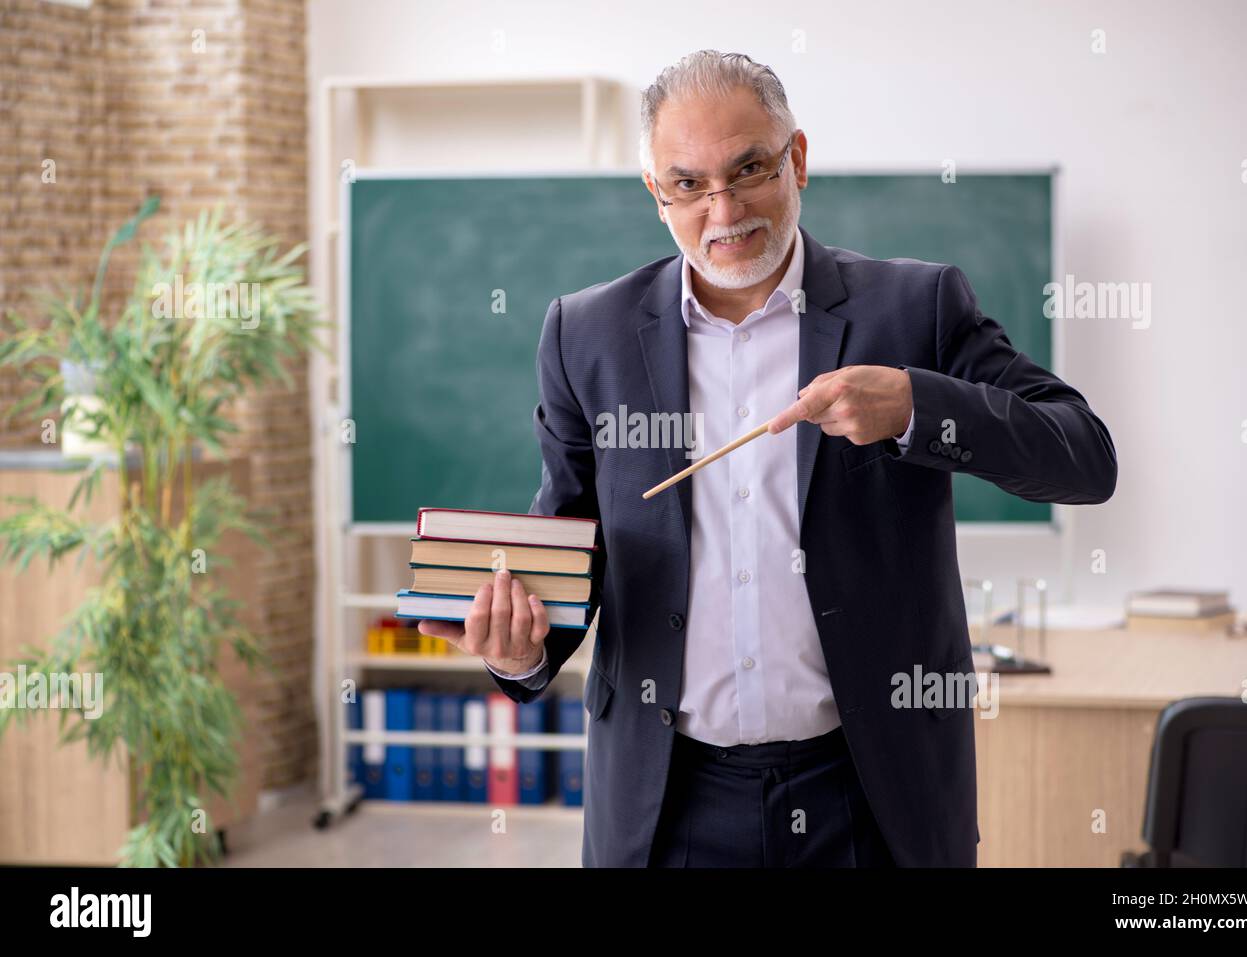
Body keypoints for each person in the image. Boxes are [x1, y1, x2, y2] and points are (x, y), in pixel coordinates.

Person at [419, 49, 1117, 867]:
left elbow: (1084, 457)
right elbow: (572, 547)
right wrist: (523, 651)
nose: (723, 208)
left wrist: (920, 406)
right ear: (657, 194)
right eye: (688, 182)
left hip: (871, 793)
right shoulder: (587, 334)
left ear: (798, 159)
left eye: (749, 168)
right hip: (666, 800)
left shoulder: (914, 308)